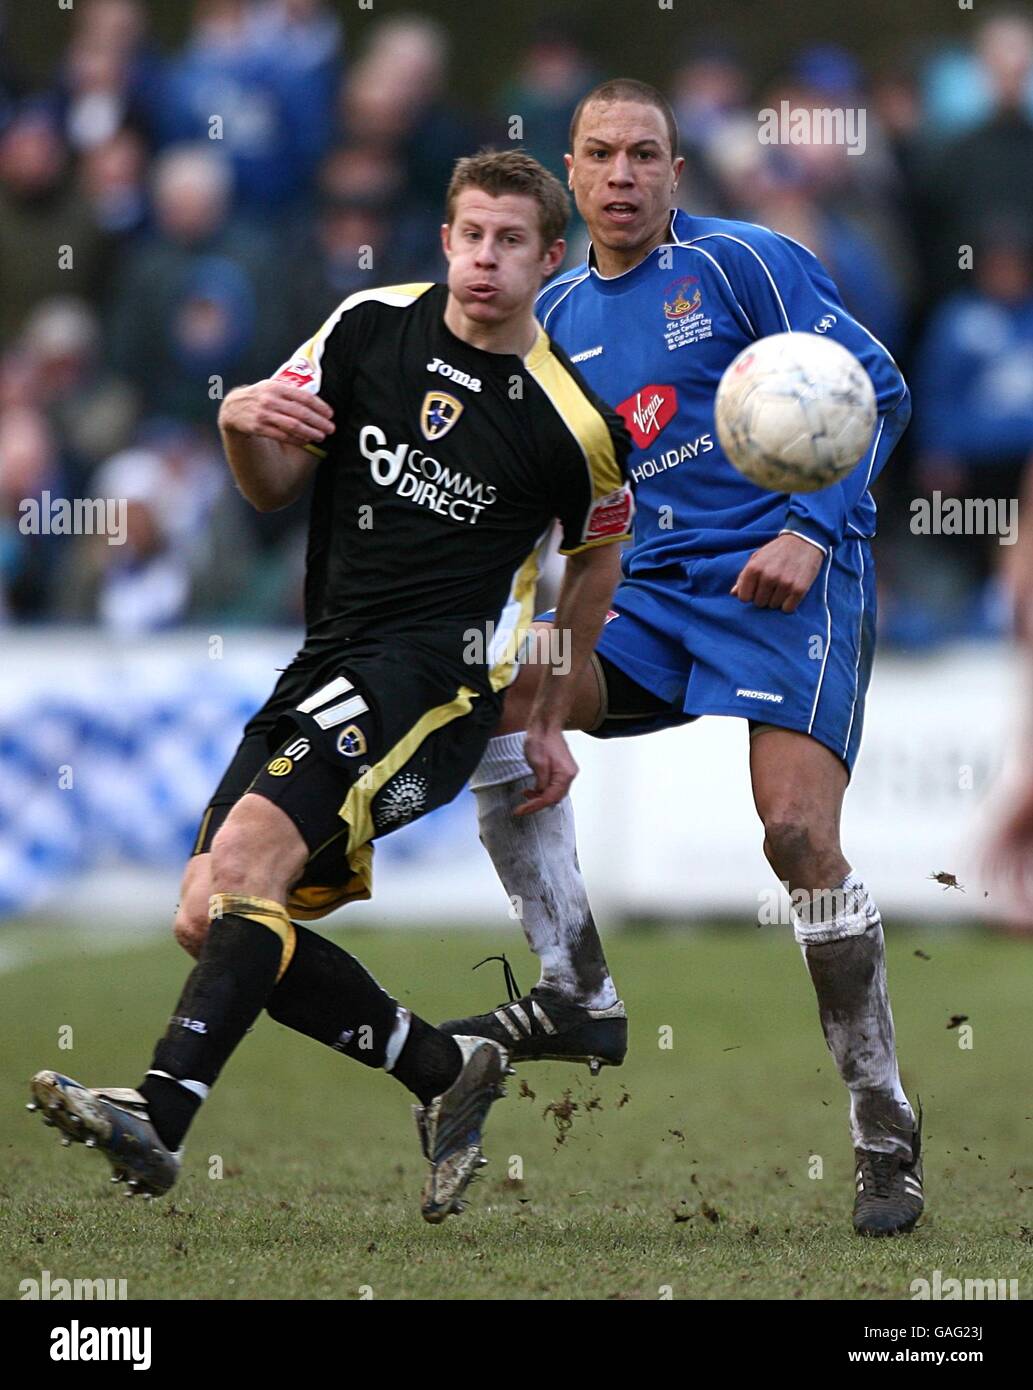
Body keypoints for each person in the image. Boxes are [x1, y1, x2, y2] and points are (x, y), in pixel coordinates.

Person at [28, 149, 633, 1224]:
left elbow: (592, 564)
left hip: (432, 685)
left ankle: (158, 1117)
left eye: (510, 243)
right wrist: (236, 426)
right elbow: (270, 489)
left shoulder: (573, 425)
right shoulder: (365, 327)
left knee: (248, 863)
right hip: (328, 658)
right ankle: (445, 1069)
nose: (484, 261)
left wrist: (544, 709)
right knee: (210, 910)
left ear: (551, 258)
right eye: (470, 236)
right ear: (444, 238)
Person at [440, 80, 923, 1238]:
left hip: (791, 573)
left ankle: (881, 1123)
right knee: (502, 706)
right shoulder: (550, 314)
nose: (620, 176)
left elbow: (882, 389)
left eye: (643, 155)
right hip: (646, 590)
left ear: (674, 173)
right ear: (571, 170)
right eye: (599, 156)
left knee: (797, 834)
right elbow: (550, 506)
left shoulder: (747, 265)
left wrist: (809, 529)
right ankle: (579, 985)